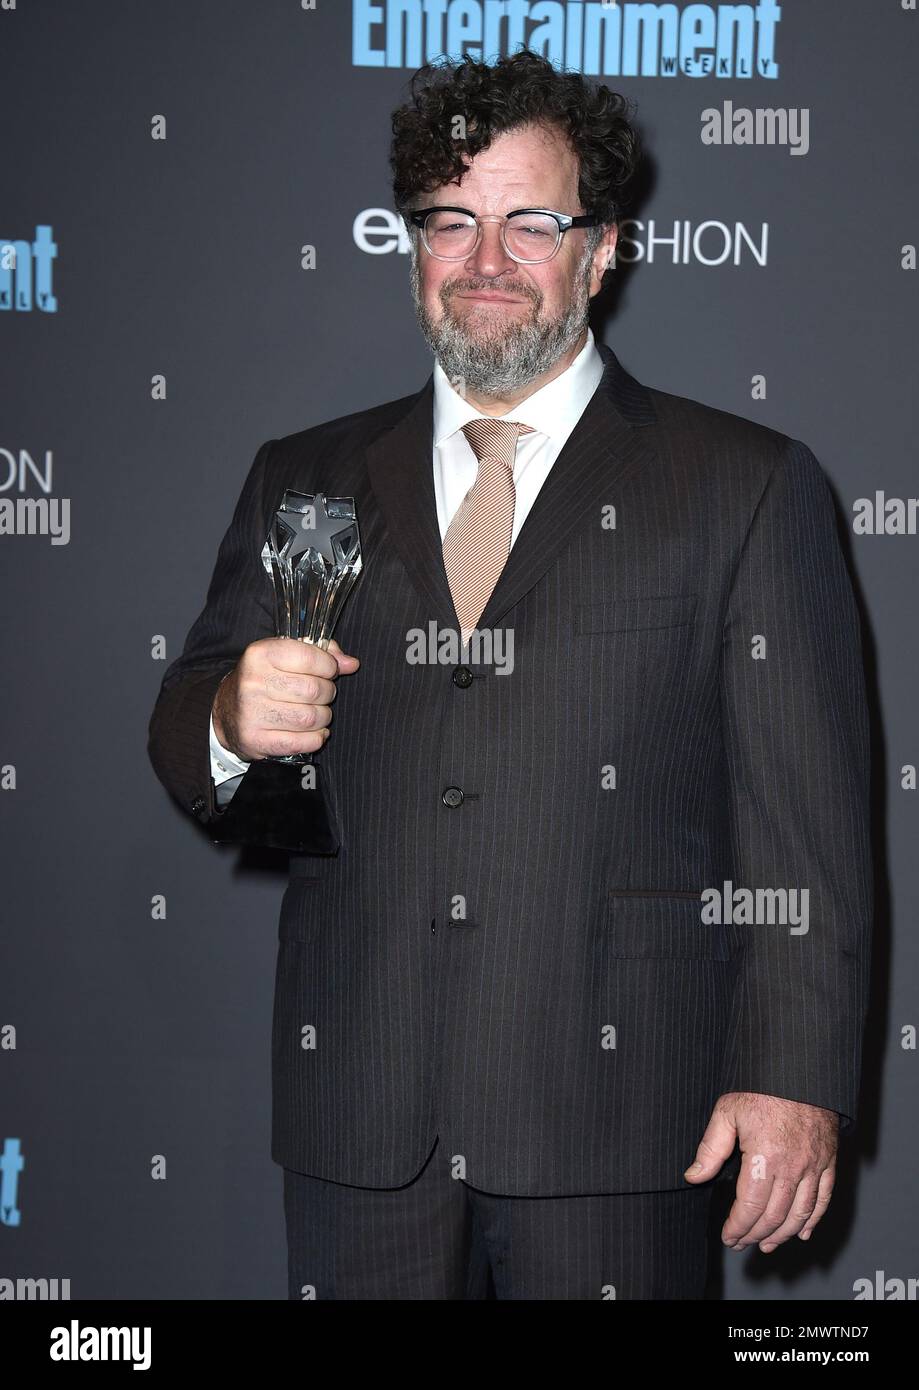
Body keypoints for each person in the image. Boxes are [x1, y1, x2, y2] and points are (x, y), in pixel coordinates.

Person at [148, 51, 872, 1300]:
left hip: (620, 1125)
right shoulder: (303, 474)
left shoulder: (743, 485)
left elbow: (805, 830)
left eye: (531, 222)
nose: (487, 261)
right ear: (411, 246)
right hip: (358, 1125)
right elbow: (190, 727)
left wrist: (795, 1073)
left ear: (602, 251)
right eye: (450, 222)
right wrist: (225, 715)